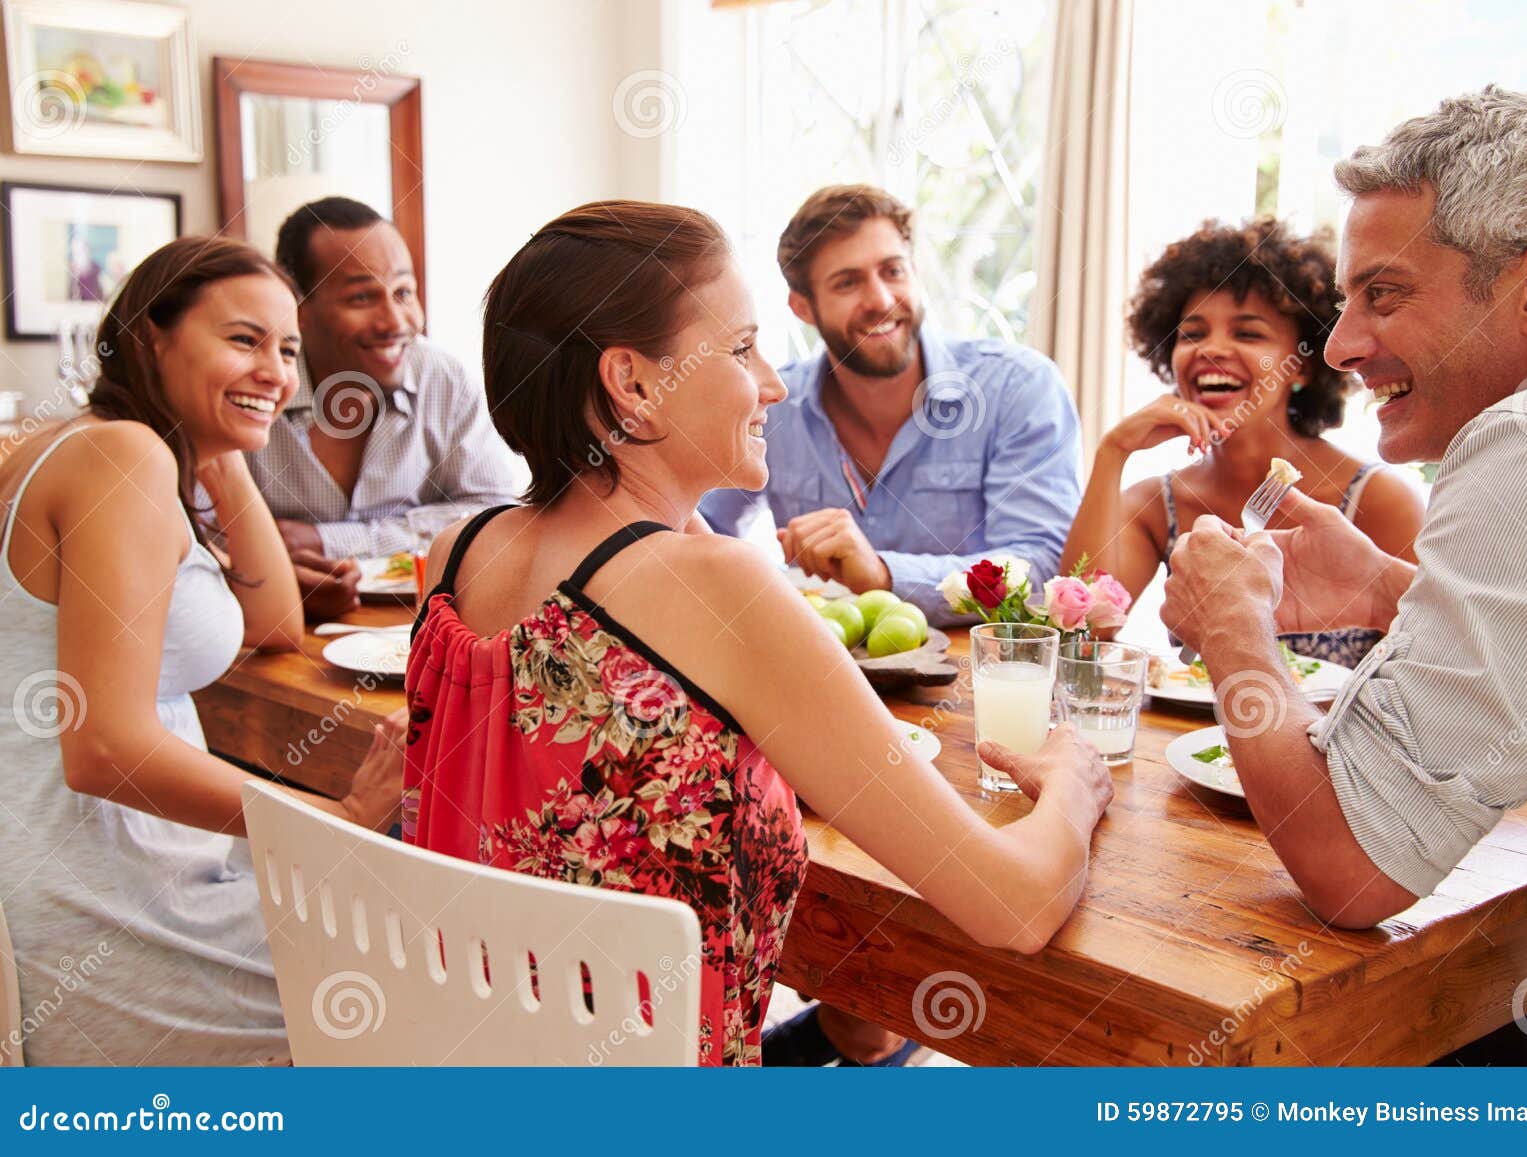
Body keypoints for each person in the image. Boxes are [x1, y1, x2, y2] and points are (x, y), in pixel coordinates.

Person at [402, 201, 1113, 1066]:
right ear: (630, 382)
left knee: (865, 1041)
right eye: (741, 348)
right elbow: (1017, 906)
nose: (774, 382)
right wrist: (1074, 781)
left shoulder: (456, 555)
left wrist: (672, 487)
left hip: (473, 1079)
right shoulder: (717, 591)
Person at [1160, 87, 1527, 1063]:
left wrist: (1234, 631)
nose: (1341, 344)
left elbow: (1354, 872)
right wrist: (1381, 588)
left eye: (1384, 294)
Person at [0, 236, 406, 1066]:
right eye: (244, 340)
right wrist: (333, 822)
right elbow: (105, 748)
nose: (278, 372)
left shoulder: (105, 443)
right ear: (152, 338)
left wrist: (220, 450)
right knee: (407, 998)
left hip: (119, 862)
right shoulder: (123, 456)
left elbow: (272, 624)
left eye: (287, 349)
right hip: (102, 894)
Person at [700, 185, 1081, 626]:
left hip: (970, 677)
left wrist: (885, 574)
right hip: (816, 668)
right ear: (802, 307)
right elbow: (702, 530)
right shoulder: (772, 405)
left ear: (915, 274)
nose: (881, 300)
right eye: (847, 282)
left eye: (893, 271)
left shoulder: (1017, 388)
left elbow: (1038, 567)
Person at [1064, 219, 1424, 665]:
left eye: (1248, 333)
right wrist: (1113, 452)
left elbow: (1434, 665)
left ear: (1304, 365)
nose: (1210, 350)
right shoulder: (1157, 504)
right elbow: (1081, 637)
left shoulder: (1380, 499)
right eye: (1192, 333)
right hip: (1191, 737)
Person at [247, 197, 523, 619]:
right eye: (362, 297)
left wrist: (327, 540)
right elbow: (214, 539)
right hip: (277, 628)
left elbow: (494, 514)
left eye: (403, 292)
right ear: (297, 306)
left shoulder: (442, 379)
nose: (395, 321)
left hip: (416, 630)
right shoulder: (253, 390)